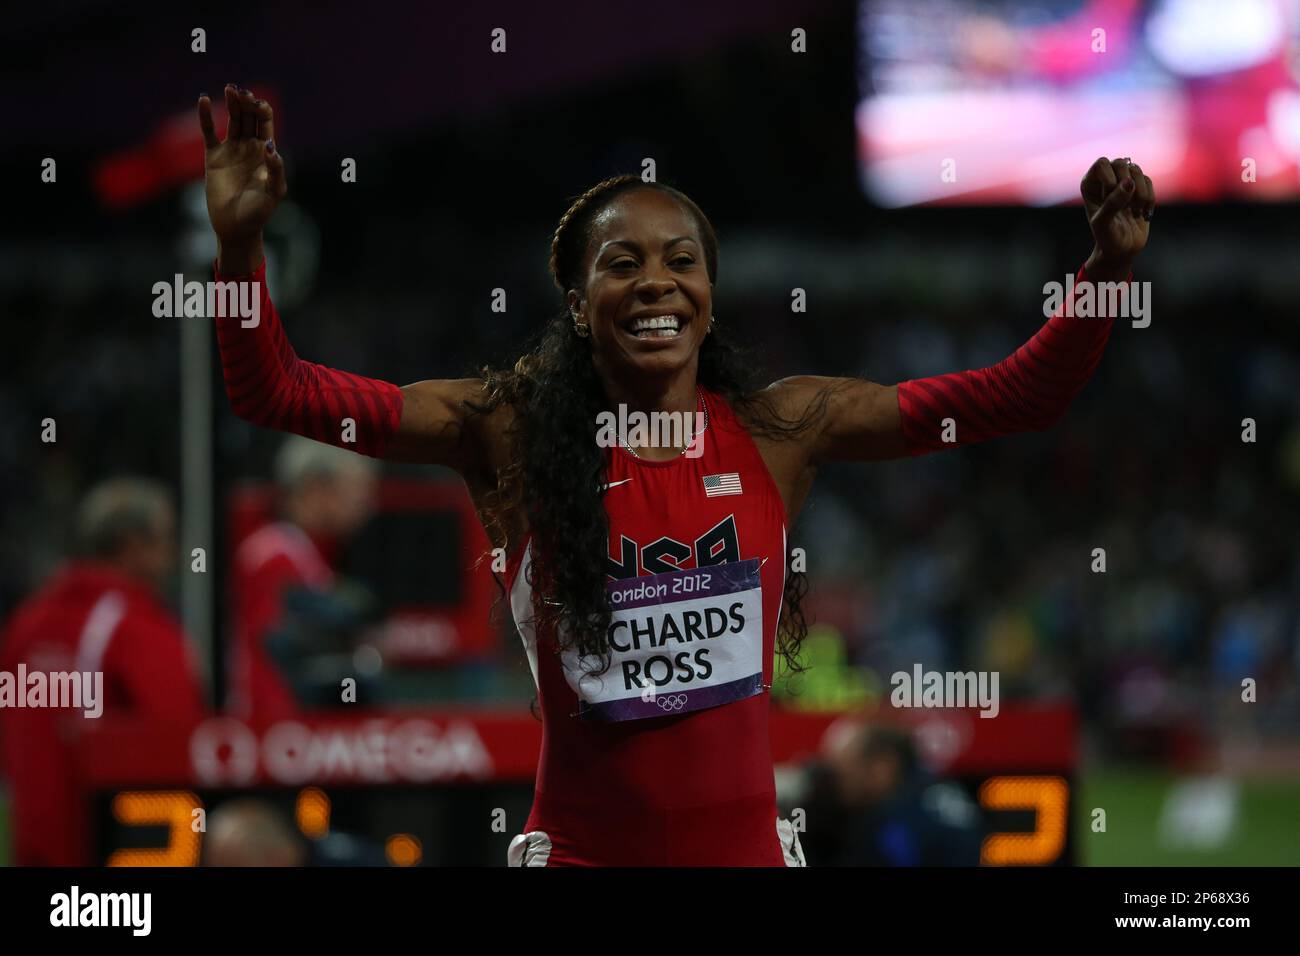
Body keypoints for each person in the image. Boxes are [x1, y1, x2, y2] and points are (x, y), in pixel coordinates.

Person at [196, 85, 1153, 865]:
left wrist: (1105, 270)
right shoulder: (505, 432)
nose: (656, 281)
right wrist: (240, 248)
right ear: (577, 303)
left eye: (681, 260)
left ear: (708, 292)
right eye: (623, 263)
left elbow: (1011, 397)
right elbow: (276, 392)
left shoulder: (784, 428)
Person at [0, 478, 205, 865]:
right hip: (111, 852)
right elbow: (180, 736)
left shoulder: (26, 624)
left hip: (32, 841)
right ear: (131, 545)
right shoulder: (135, 624)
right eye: (164, 540)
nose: (172, 554)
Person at [230, 435, 377, 722]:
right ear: (317, 489)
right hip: (270, 729)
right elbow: (268, 661)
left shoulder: (306, 554)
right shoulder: (272, 555)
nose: (367, 503)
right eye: (358, 489)